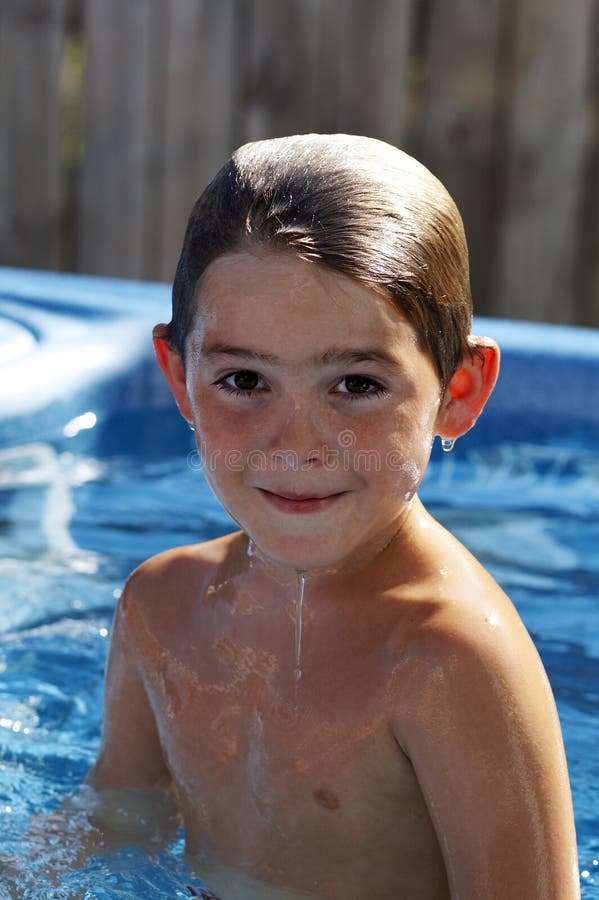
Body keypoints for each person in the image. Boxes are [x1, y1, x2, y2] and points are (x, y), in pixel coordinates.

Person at [86, 134, 580, 899]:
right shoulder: (159, 606)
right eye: (244, 379)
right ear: (180, 381)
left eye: (354, 384)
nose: (296, 444)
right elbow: (113, 827)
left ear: (458, 392)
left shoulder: (446, 659)